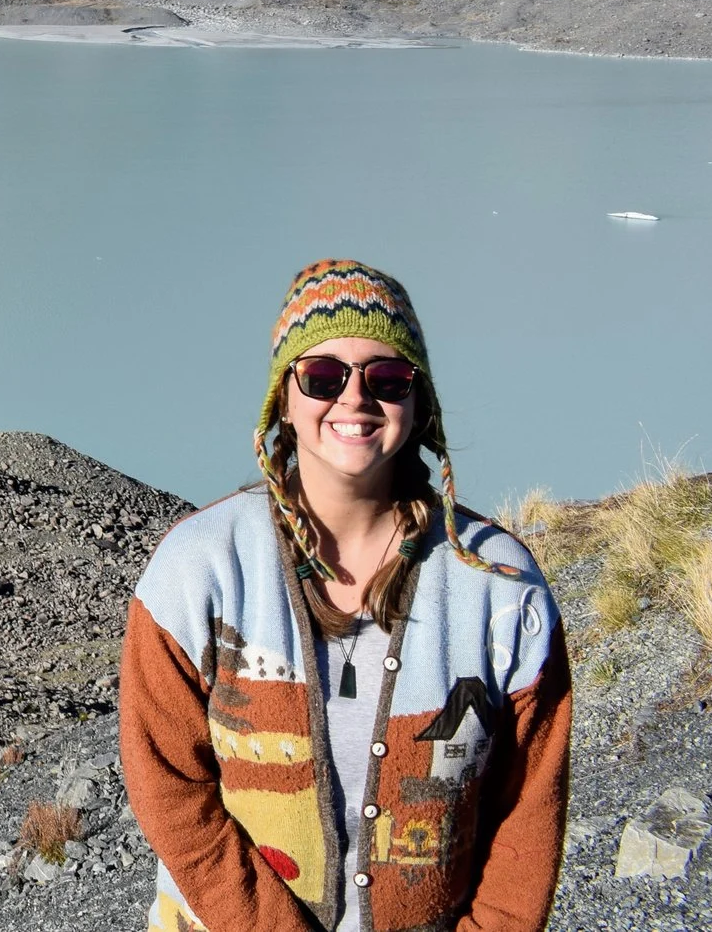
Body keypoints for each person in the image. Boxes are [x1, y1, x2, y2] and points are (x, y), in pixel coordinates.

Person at [118, 260, 571, 932]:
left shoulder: (500, 586)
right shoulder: (196, 569)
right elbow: (170, 790)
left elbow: (529, 811)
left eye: (387, 379)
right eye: (324, 375)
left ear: (420, 406)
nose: (355, 399)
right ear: (285, 398)